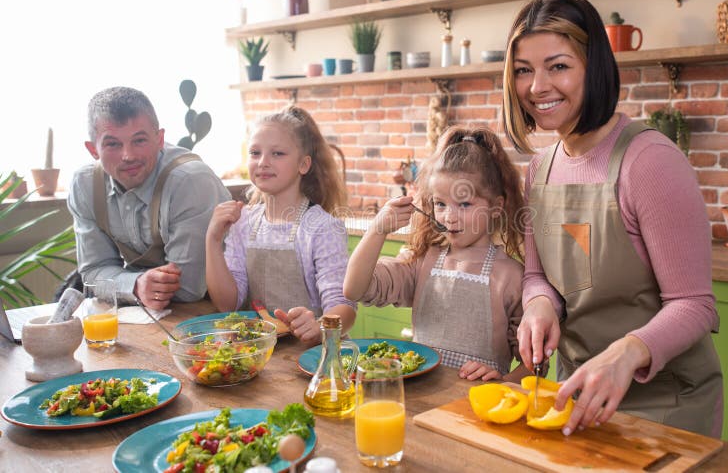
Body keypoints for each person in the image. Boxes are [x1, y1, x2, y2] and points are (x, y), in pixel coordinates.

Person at [503, 0, 723, 437]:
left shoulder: (651, 161)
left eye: (558, 66)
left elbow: (694, 306)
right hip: (576, 392)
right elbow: (536, 275)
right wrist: (540, 306)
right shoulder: (539, 170)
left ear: (594, 67)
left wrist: (626, 352)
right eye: (524, 70)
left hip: (665, 405)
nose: (536, 86)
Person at [344, 127, 529, 382]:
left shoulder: (512, 276)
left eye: (464, 204)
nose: (449, 216)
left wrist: (501, 382)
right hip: (420, 402)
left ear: (496, 207)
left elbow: (533, 363)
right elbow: (354, 290)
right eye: (440, 204)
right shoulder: (422, 261)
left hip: (473, 408)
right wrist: (378, 229)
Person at [67, 86, 231, 310]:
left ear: (160, 138)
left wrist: (123, 282)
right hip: (154, 315)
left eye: (139, 140)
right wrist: (135, 285)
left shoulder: (190, 181)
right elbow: (93, 271)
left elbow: (188, 288)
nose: (128, 156)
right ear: (93, 150)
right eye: (113, 144)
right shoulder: (85, 185)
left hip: (219, 313)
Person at [205, 106, 355, 344]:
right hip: (258, 355)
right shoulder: (243, 223)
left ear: (303, 165)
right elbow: (228, 304)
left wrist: (319, 327)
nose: (263, 162)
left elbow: (343, 307)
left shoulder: (321, 227)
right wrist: (212, 240)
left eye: (277, 154)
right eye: (255, 153)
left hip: (313, 355)